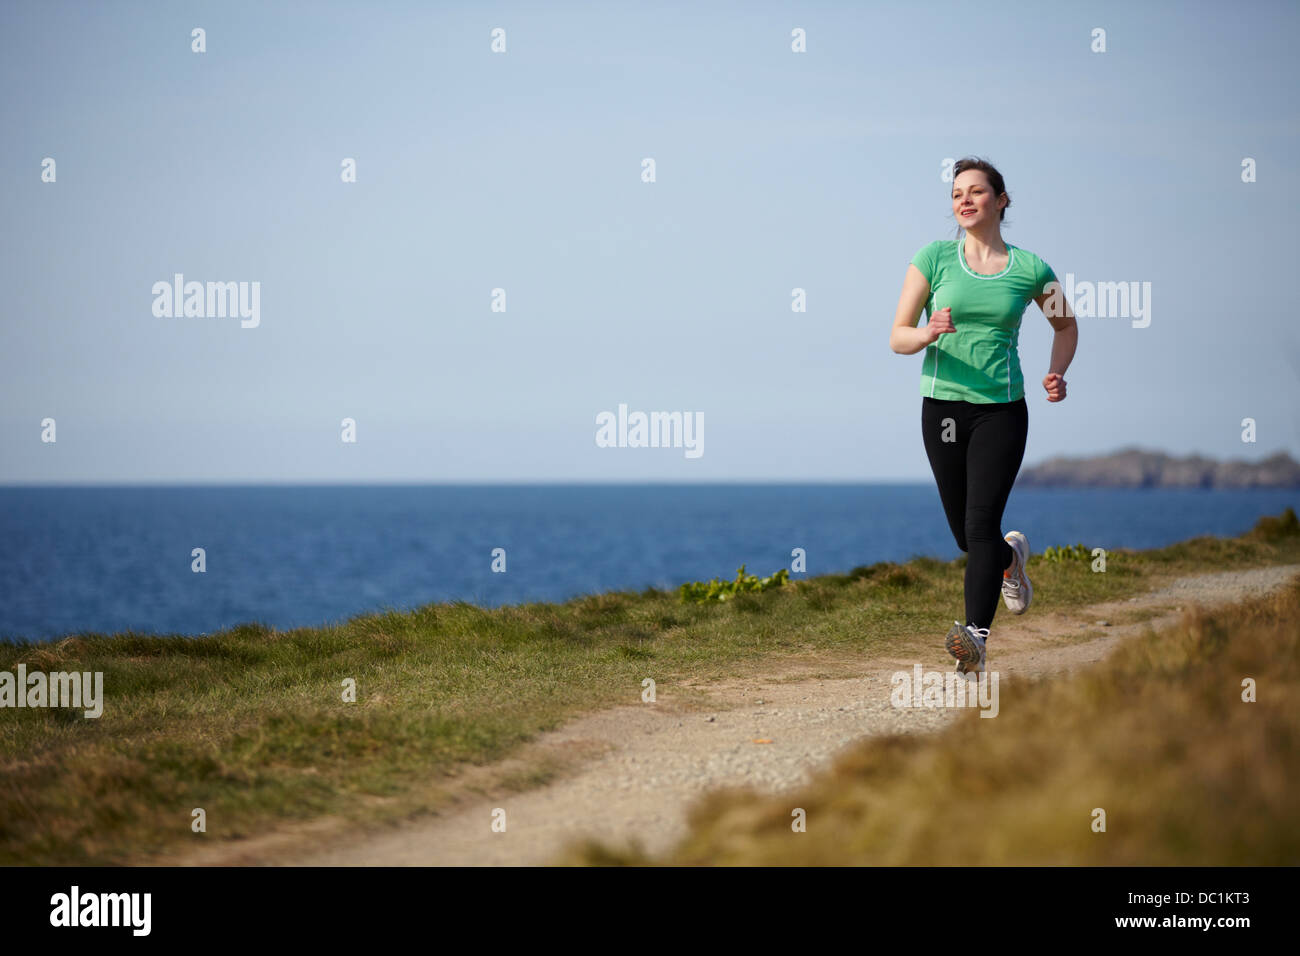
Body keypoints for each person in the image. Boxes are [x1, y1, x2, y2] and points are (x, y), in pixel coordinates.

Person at [889, 157, 1078, 675]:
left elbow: (1066, 326)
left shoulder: (1032, 269)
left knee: (979, 524)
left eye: (976, 191)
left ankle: (975, 640)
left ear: (1001, 200)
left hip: (1001, 410)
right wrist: (927, 333)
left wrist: (1056, 372)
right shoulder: (932, 259)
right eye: (956, 194)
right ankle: (1010, 561)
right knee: (965, 536)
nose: (964, 200)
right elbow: (897, 336)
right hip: (943, 410)